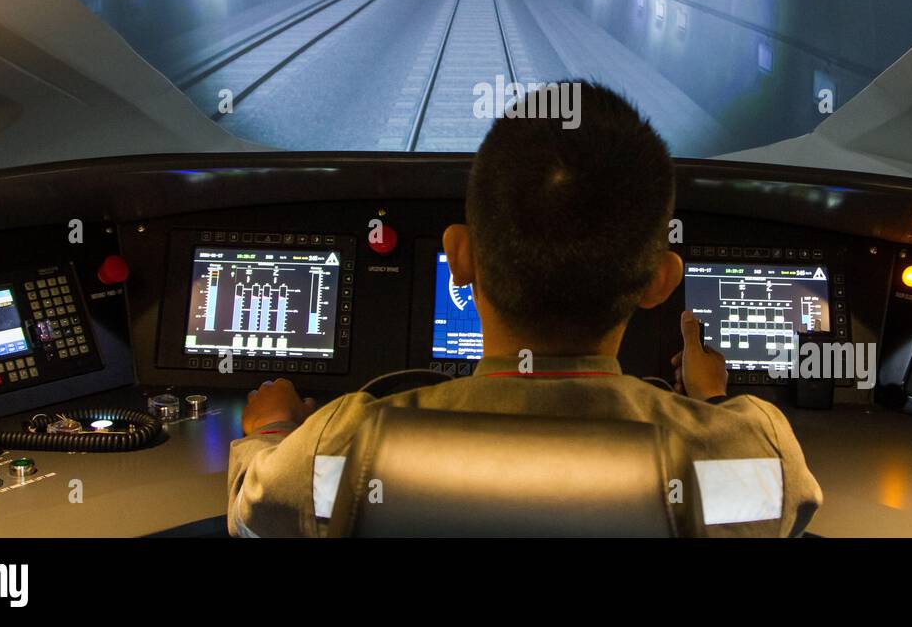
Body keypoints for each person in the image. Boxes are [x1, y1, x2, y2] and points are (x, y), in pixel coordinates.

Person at [228, 81, 821, 536]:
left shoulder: (344, 447)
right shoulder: (740, 454)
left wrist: (273, 429)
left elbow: (252, 512)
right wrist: (710, 403)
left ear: (458, 255)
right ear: (660, 283)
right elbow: (779, 505)